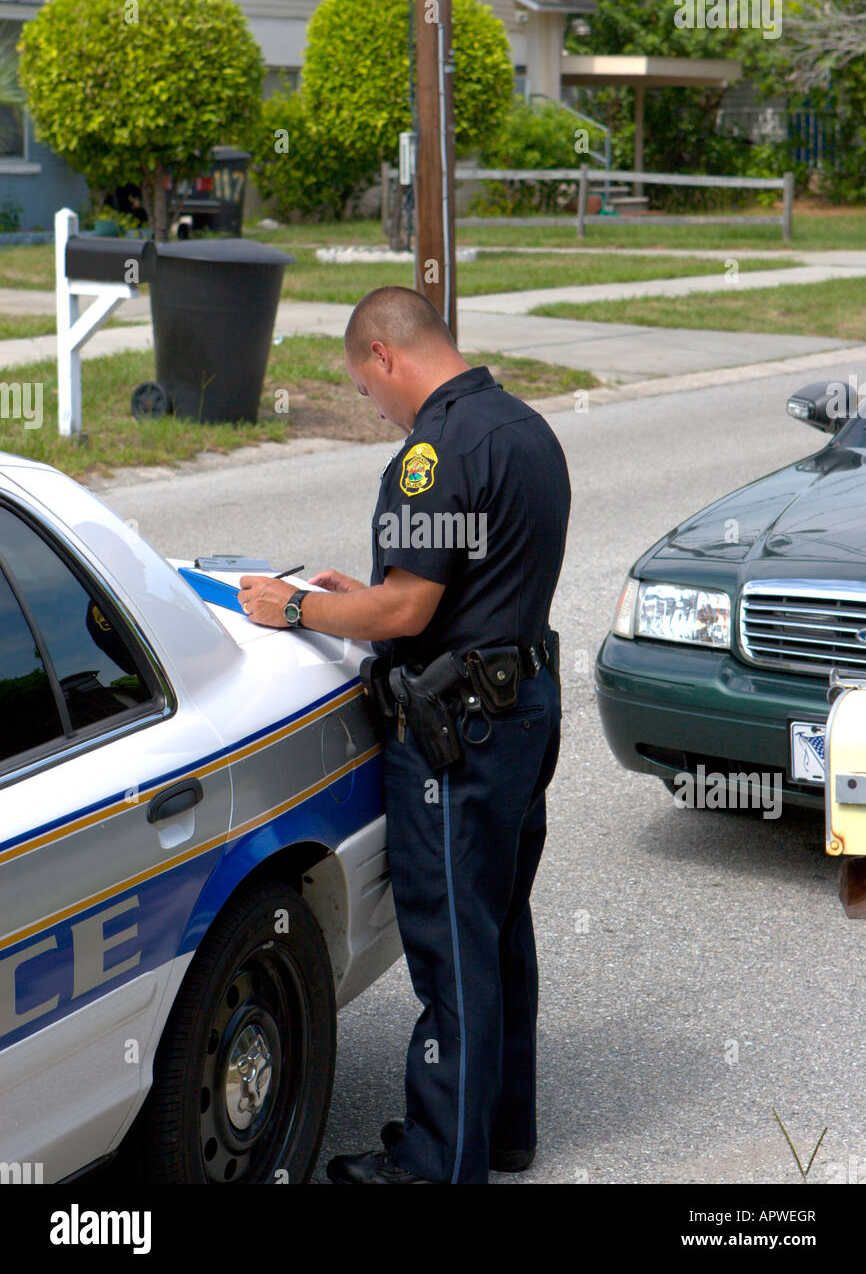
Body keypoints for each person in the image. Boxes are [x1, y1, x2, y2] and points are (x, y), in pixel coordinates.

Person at [239, 285, 571, 1185]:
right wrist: (366, 598)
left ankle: (437, 1166)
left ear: (385, 356)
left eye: (362, 388)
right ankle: (501, 1133)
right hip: (522, 712)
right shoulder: (524, 427)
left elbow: (409, 604)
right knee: (497, 928)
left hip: (455, 738)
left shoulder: (432, 452)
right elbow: (461, 587)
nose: (372, 408)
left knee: (449, 947)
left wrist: (299, 604)